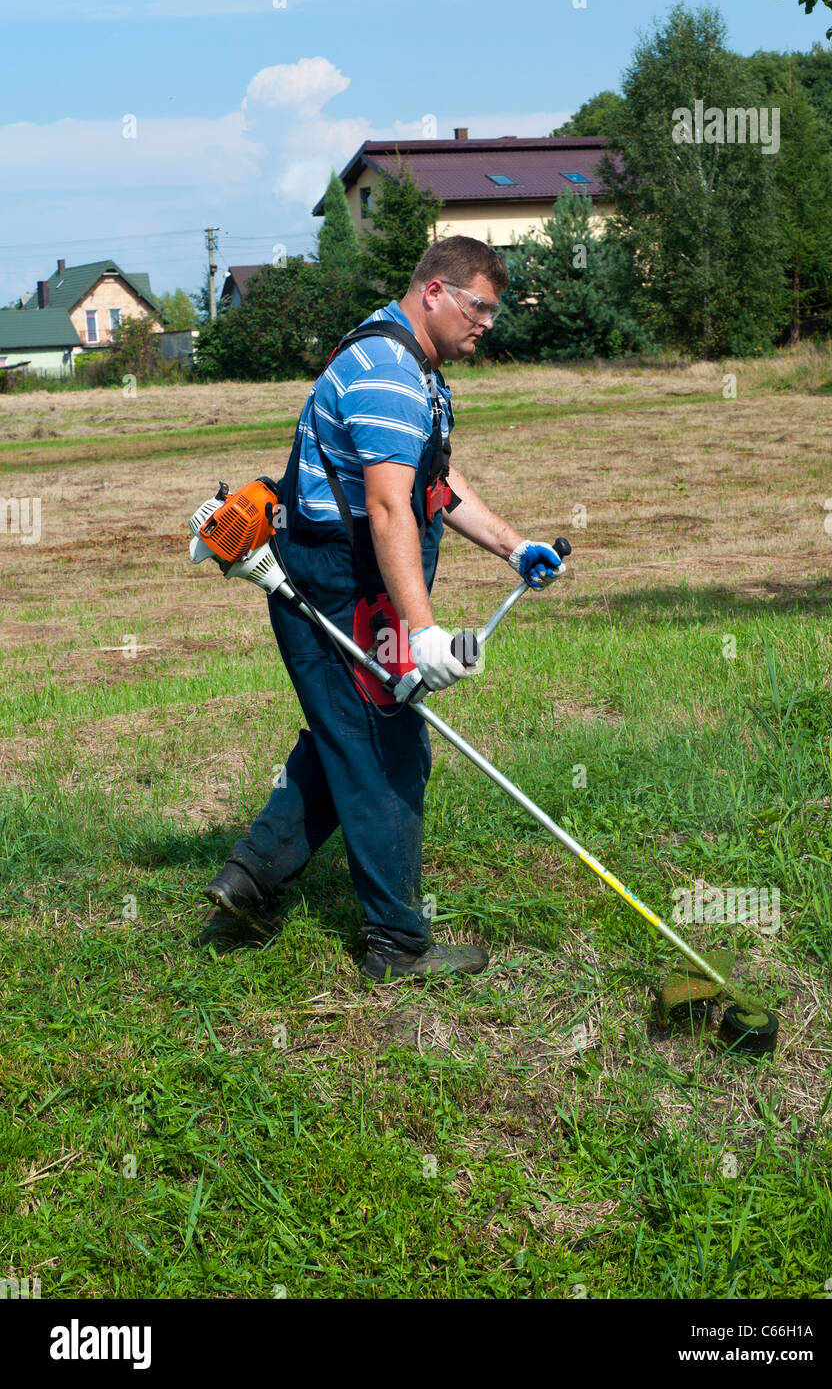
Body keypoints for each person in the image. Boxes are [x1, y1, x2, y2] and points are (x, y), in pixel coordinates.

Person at [194, 235, 564, 980]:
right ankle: (397, 945)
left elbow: (433, 481)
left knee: (349, 732)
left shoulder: (407, 365)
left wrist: (511, 545)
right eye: (479, 307)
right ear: (434, 291)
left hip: (351, 578)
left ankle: (251, 880)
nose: (487, 324)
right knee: (389, 748)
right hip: (338, 584)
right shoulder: (390, 374)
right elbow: (391, 509)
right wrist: (423, 633)